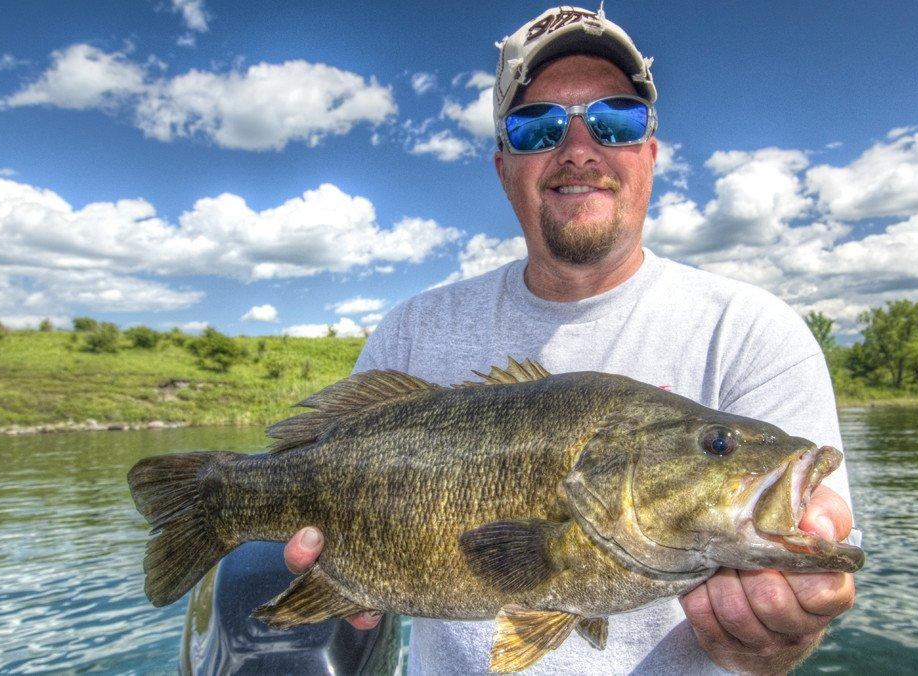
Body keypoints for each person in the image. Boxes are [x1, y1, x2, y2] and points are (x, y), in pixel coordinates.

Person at [280, 5, 859, 674]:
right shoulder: (411, 331)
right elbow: (333, 529)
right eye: (538, 126)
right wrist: (344, 582)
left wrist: (783, 626)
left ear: (649, 154)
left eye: (616, 120)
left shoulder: (755, 333)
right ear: (504, 168)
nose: (578, 148)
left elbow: (807, 596)